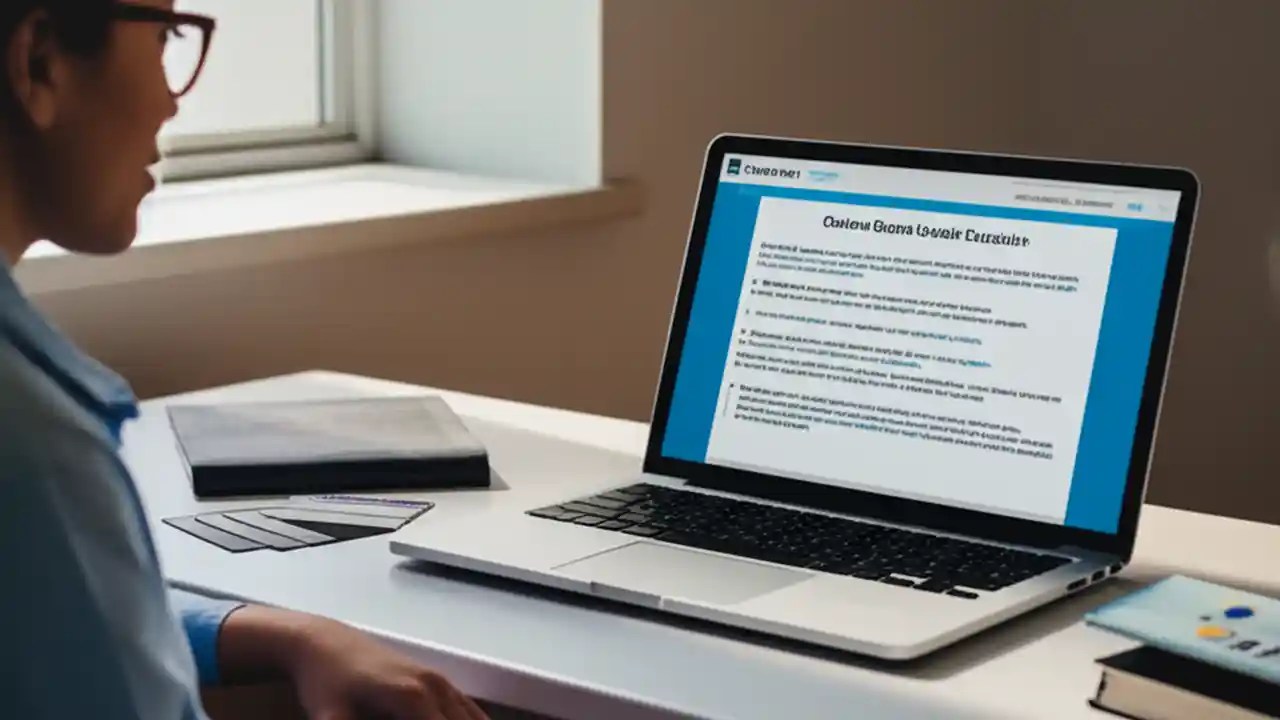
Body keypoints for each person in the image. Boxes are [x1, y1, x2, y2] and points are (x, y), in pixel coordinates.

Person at [0, 2, 489, 719]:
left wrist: (286, 636)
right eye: (164, 37)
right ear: (38, 60)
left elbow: (53, 612)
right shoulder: (37, 452)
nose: (171, 100)